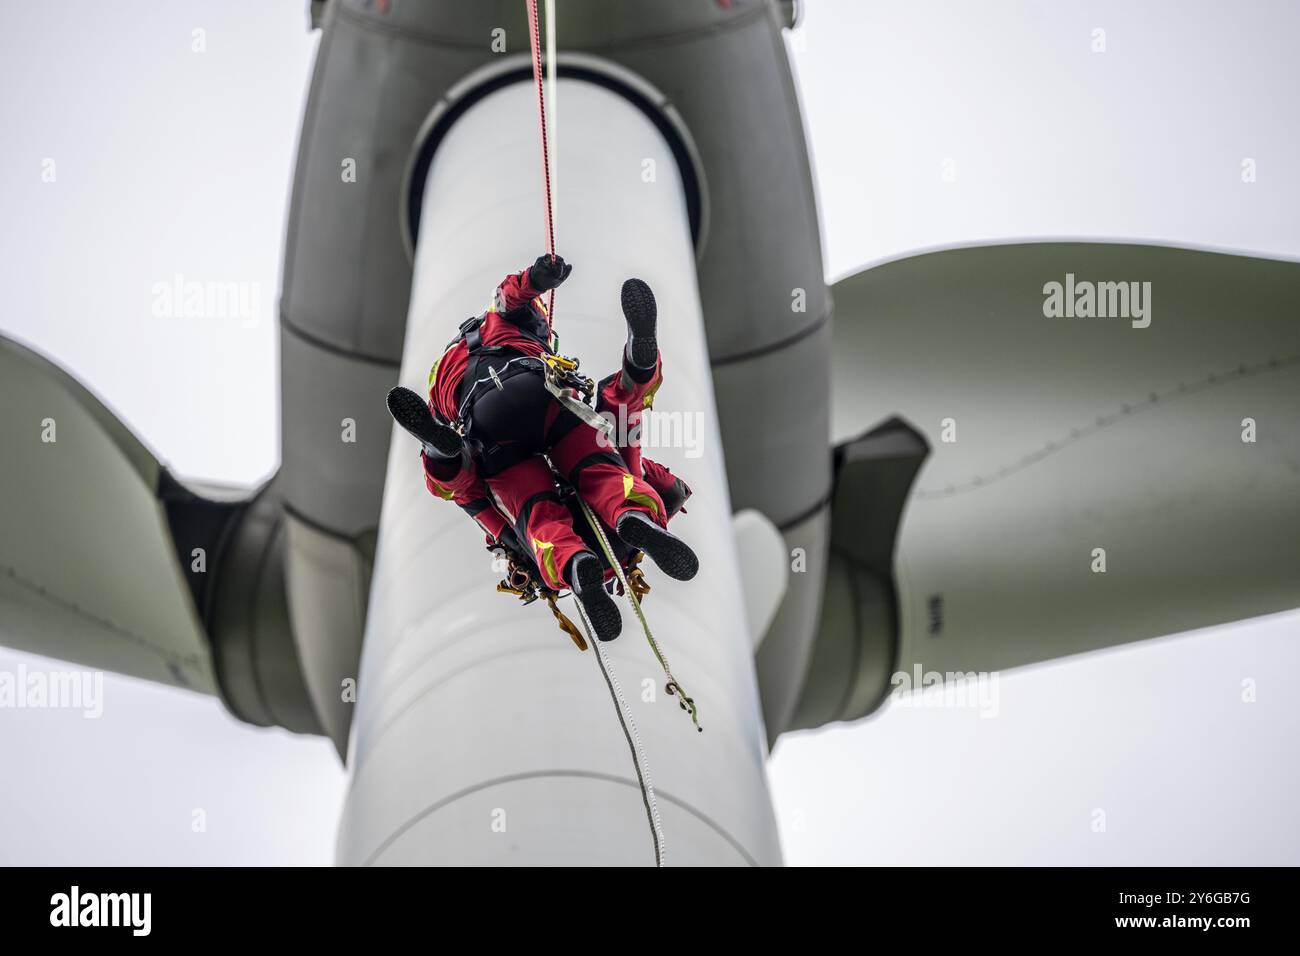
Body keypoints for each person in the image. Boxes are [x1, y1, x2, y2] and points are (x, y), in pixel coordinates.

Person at [386, 255, 697, 641]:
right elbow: (509, 297)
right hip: (545, 396)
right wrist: (536, 279)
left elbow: (479, 505)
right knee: (606, 469)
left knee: (532, 514)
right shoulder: (506, 327)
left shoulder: (443, 382)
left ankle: (443, 454)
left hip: (488, 422)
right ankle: (631, 511)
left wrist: (538, 278)